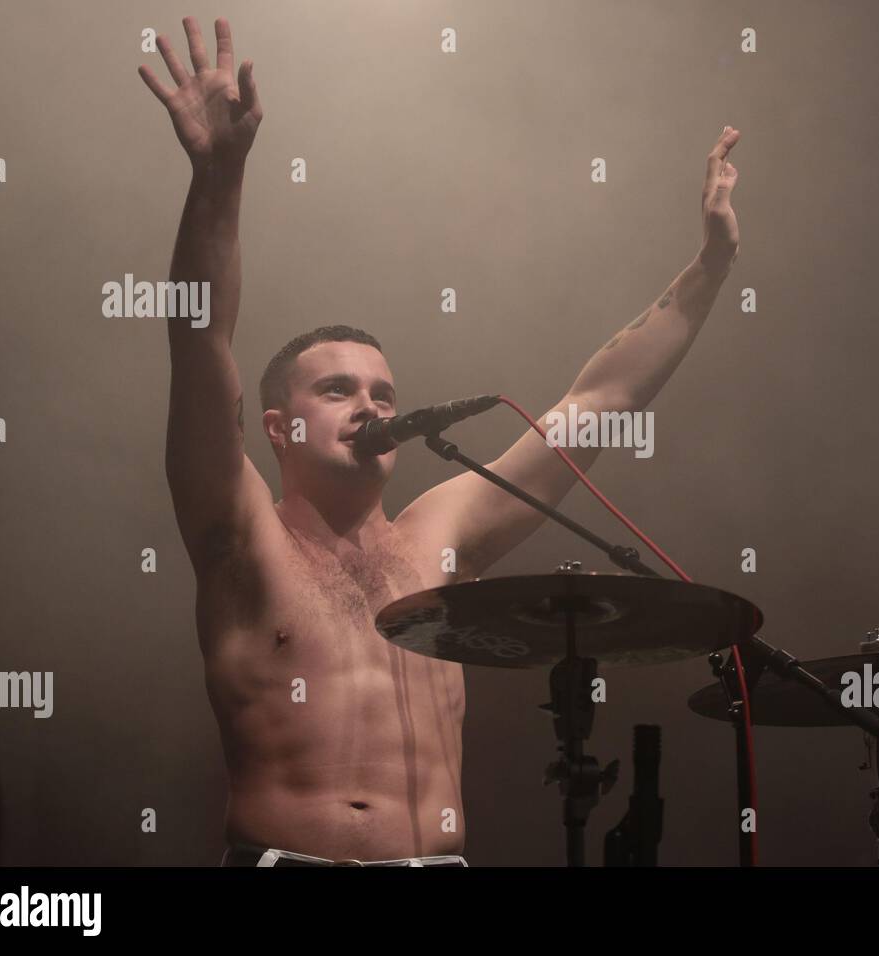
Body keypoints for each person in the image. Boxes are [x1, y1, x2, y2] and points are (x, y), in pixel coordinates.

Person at [139, 16, 741, 866]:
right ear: (276, 427)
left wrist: (708, 268)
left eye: (384, 391)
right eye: (338, 388)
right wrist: (218, 177)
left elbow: (596, 401)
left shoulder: (437, 535)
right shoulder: (240, 532)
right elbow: (199, 342)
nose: (371, 404)